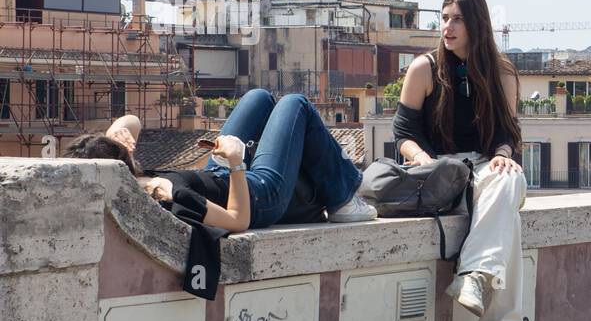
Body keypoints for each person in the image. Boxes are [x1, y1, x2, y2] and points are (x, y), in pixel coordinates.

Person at [393, 0, 530, 321]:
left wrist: (502, 154)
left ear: (477, 24)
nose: (447, 27)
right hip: (438, 170)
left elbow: (508, 133)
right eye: (444, 18)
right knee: (509, 221)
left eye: (457, 19)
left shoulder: (502, 73)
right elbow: (403, 133)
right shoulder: (424, 69)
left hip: (484, 168)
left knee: (510, 179)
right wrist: (422, 159)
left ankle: (472, 276)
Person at [65, 89, 375, 232]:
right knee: (296, 104)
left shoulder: (134, 181)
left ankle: (342, 189)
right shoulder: (164, 192)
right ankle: (343, 200)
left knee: (258, 97)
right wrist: (237, 163)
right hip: (258, 195)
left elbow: (131, 122)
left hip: (219, 173)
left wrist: (117, 132)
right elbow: (237, 220)